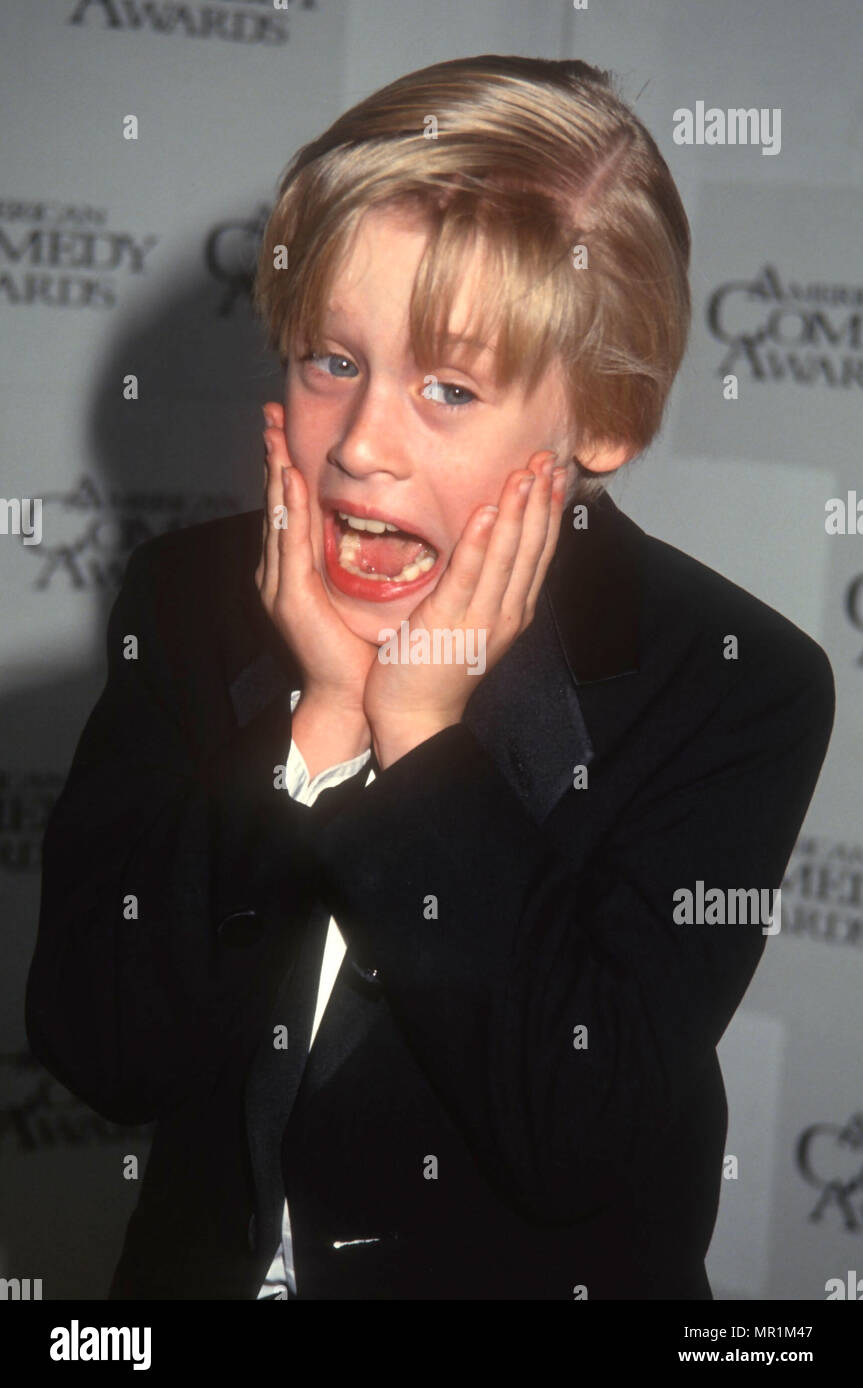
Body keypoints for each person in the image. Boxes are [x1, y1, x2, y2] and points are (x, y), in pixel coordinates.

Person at [26, 54, 834, 1300]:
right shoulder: (187, 600)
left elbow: (568, 1132)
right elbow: (98, 1046)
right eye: (328, 361)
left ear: (603, 420)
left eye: (446, 386)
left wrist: (415, 737)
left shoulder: (731, 684)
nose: (358, 446)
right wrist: (316, 729)